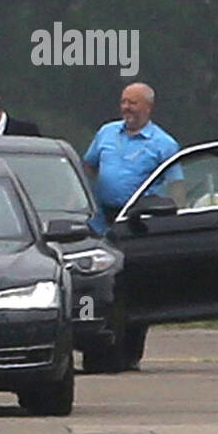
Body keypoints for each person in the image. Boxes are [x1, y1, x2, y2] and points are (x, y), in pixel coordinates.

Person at [83, 82, 181, 369]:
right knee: (100, 286)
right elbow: (88, 166)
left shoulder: (164, 144)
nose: (126, 108)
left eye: (133, 103)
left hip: (137, 226)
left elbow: (176, 187)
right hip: (102, 223)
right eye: (124, 101)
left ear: (148, 107)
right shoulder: (106, 133)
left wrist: (171, 217)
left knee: (134, 290)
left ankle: (130, 354)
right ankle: (97, 350)